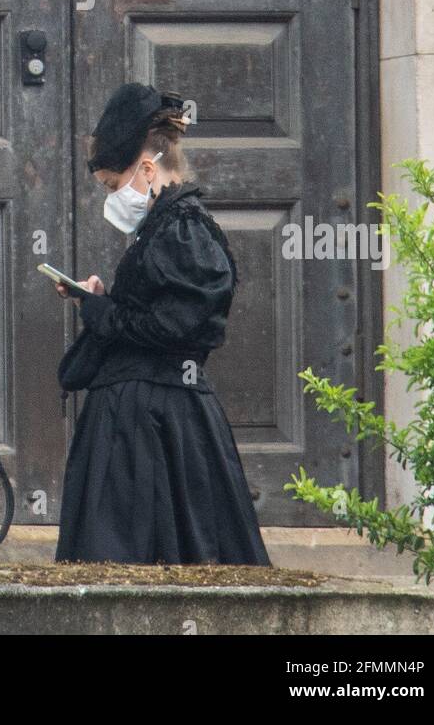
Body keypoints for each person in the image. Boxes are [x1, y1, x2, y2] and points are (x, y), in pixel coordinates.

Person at [54, 82, 272, 566]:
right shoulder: (167, 226)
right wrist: (103, 304)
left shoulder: (182, 228)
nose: (111, 198)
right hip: (149, 415)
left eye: (113, 186)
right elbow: (159, 314)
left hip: (154, 422)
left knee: (144, 561)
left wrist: (103, 313)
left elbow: (181, 326)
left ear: (148, 169)